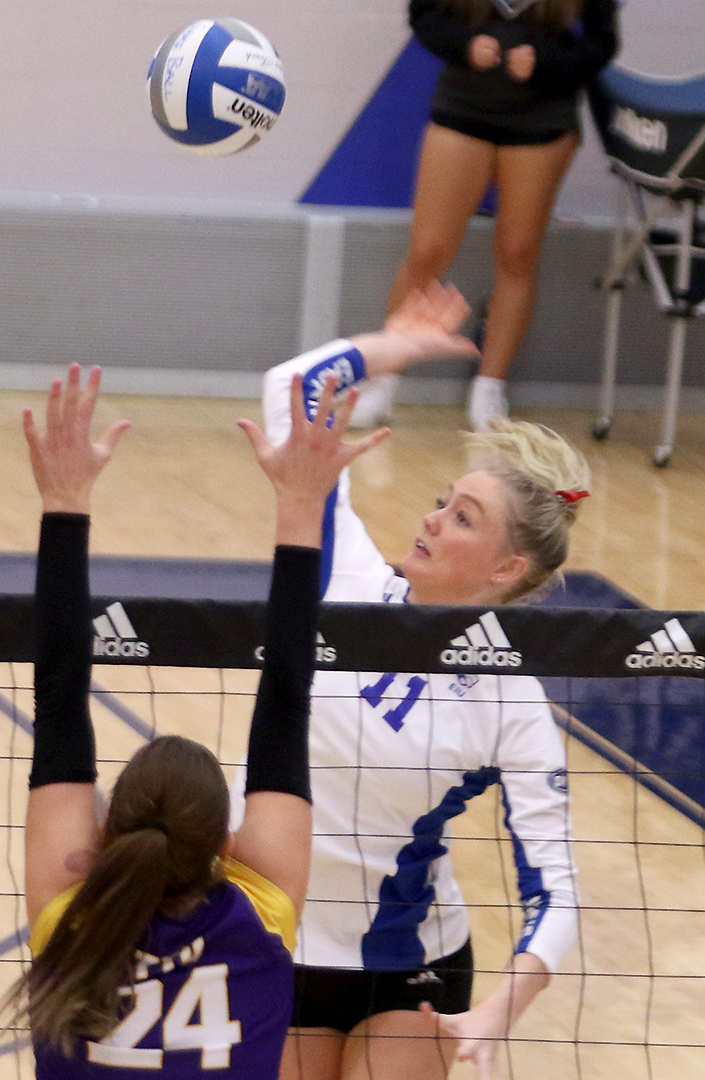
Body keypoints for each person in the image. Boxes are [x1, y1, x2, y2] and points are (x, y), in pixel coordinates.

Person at [247, 285, 585, 1080]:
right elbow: (291, 393)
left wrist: (497, 1015)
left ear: (507, 569)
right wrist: (391, 348)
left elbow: (556, 892)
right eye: (443, 502)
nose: (432, 519)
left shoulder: (512, 702)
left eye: (463, 518)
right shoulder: (347, 576)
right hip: (276, 940)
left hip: (410, 970)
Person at [11, 364, 386, 1078]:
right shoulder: (257, 914)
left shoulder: (72, 917)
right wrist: (303, 505)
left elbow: (59, 698)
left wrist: (64, 499)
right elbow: (288, 697)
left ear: (103, 832)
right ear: (228, 843)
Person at [358, 0, 618, 431]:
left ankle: (489, 388)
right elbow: (423, 14)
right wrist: (466, 44)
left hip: (543, 120)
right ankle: (382, 384)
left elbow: (601, 43)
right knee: (427, 251)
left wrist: (545, 62)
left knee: (517, 254)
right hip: (463, 109)